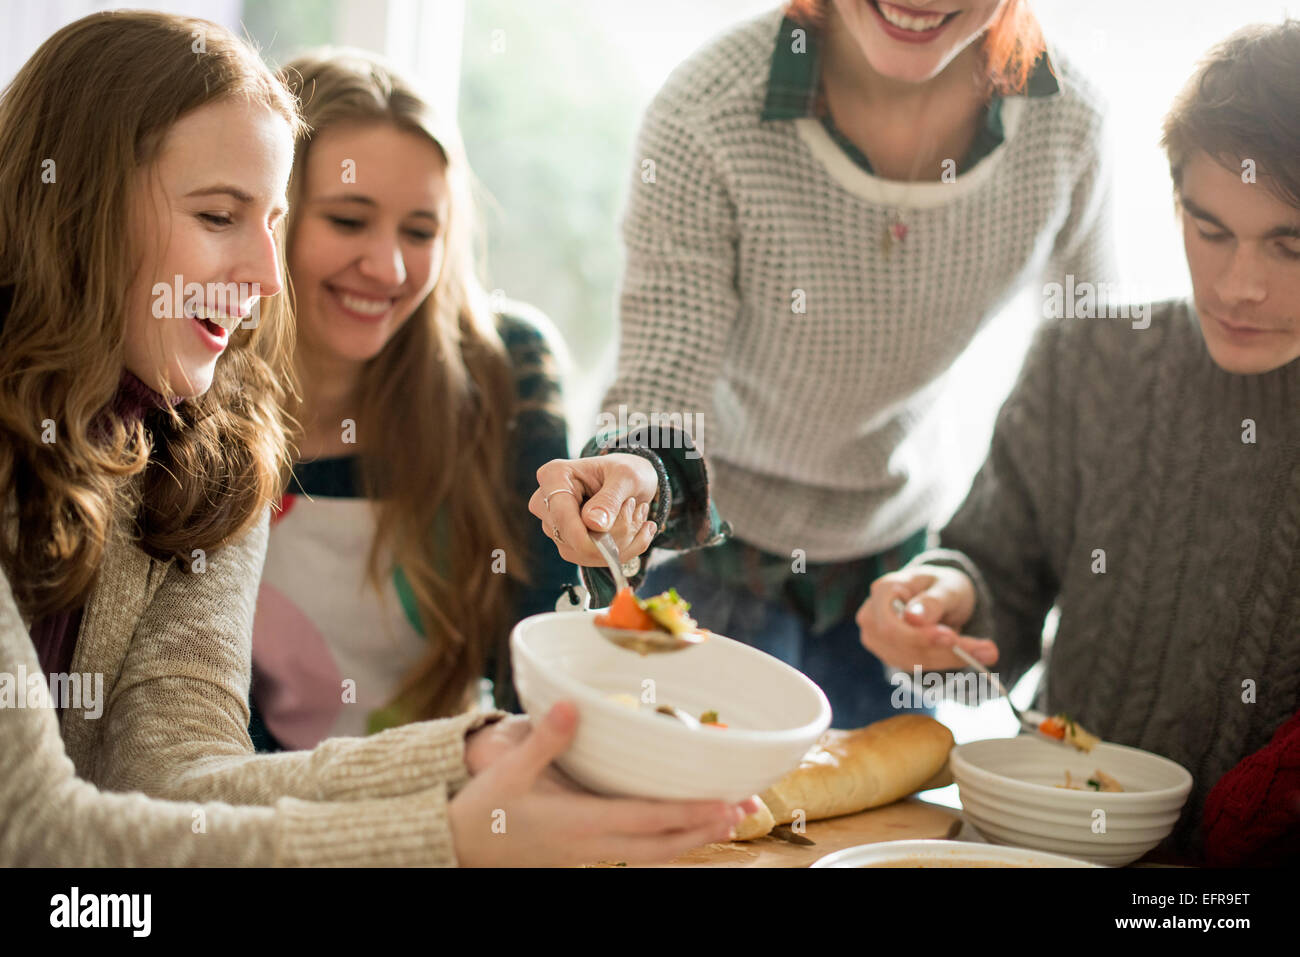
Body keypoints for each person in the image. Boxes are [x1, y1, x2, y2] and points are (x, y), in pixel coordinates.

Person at [0, 10, 755, 867]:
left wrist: (472, 753)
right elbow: (35, 832)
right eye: (218, 215)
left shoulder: (208, 438)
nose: (264, 276)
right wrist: (442, 836)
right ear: (78, 204)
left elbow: (181, 774)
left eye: (270, 222)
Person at [532, 0, 1116, 728]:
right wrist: (636, 475)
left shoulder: (1070, 125)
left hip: (899, 570)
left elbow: (1093, 386)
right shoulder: (706, 111)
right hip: (718, 552)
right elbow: (662, 379)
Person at [856, 20, 1300, 860]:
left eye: (1291, 245)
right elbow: (992, 578)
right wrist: (942, 602)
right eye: (1211, 231)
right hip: (1035, 841)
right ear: (1175, 203)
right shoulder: (1091, 357)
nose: (1241, 286)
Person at [246, 51, 588, 751]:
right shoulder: (194, 380)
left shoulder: (508, 369)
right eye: (348, 220)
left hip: (452, 812)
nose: (389, 268)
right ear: (270, 218)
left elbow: (547, 657)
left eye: (420, 232)